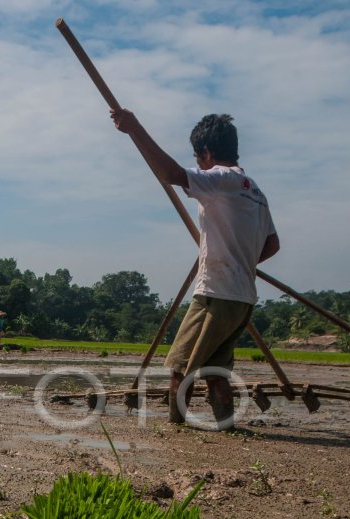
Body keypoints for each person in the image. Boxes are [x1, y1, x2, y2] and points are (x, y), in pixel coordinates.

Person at [111, 108, 279, 428]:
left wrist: (134, 128)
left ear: (207, 153)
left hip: (215, 293)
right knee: (216, 375)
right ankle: (226, 430)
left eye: (198, 158)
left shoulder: (220, 179)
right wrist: (240, 260)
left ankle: (174, 432)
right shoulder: (255, 191)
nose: (198, 166)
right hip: (242, 298)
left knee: (179, 367)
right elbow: (272, 245)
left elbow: (171, 174)